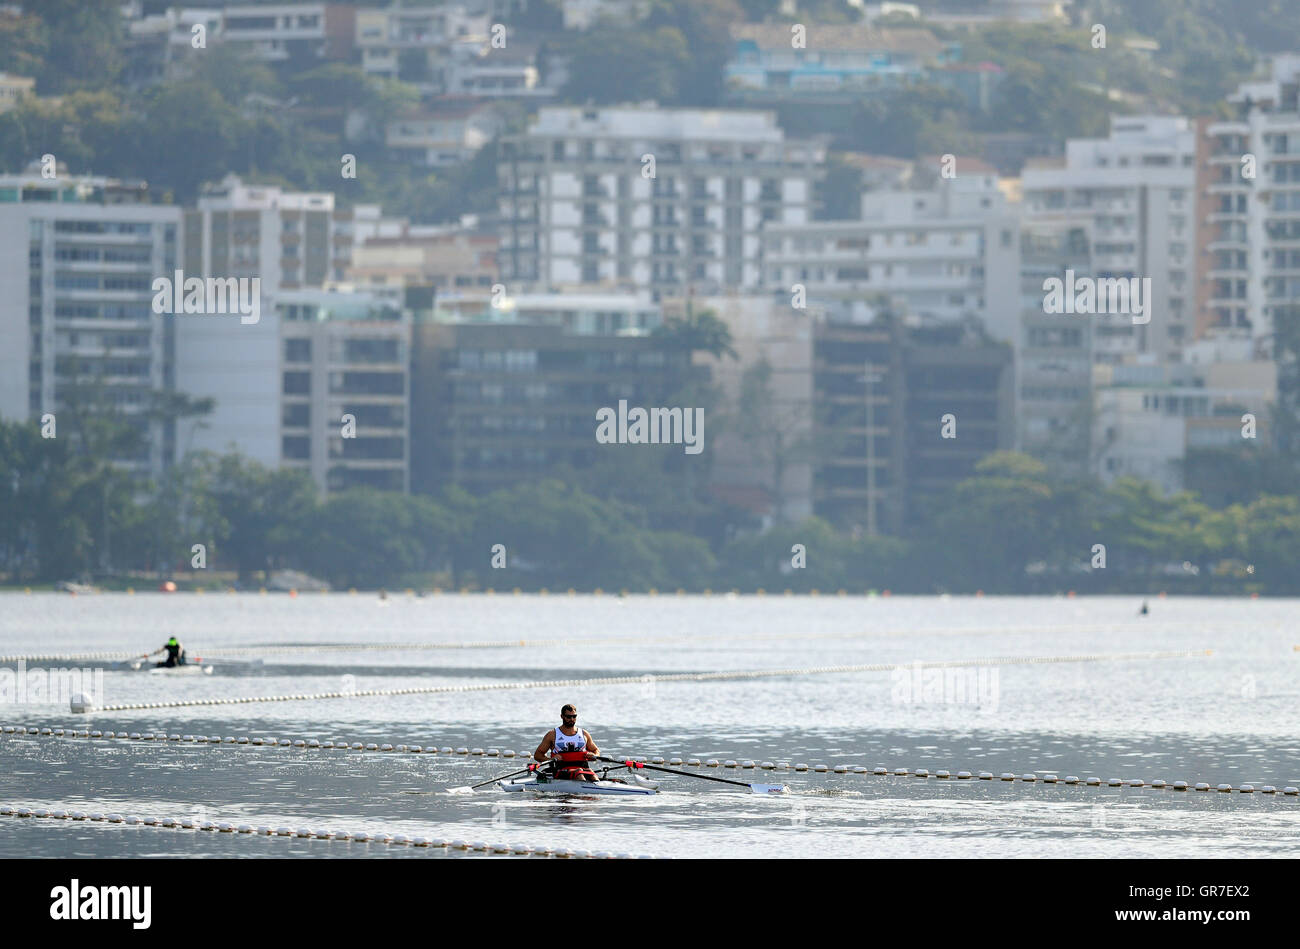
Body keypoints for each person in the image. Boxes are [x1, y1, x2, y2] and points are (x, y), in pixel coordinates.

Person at [533, 704, 601, 782]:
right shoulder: (552, 735)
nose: (572, 719)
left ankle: (597, 788)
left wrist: (594, 755)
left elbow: (596, 750)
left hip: (584, 770)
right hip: (561, 770)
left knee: (591, 775)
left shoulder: (584, 734)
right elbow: (538, 755)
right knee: (578, 772)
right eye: (568, 717)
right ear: (562, 716)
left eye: (574, 716)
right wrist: (551, 759)